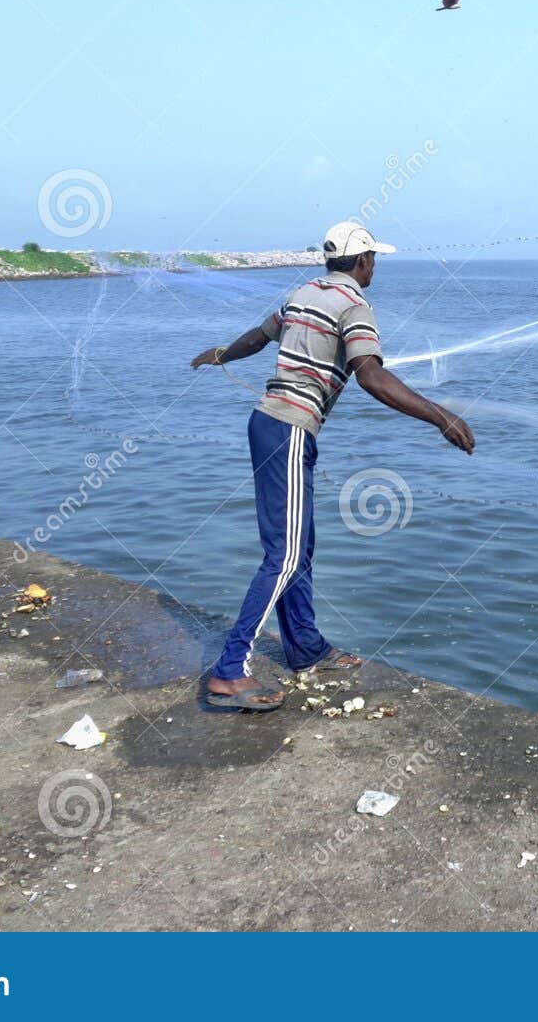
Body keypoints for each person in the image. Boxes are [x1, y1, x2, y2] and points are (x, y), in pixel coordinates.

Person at [190, 219, 475, 710]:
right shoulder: (354, 305)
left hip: (267, 426)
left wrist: (220, 355)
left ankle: (305, 648)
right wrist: (439, 417)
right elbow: (371, 376)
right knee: (283, 554)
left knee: (300, 546)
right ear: (363, 261)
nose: (374, 267)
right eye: (373, 260)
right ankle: (229, 671)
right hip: (290, 429)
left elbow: (258, 339)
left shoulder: (302, 293)